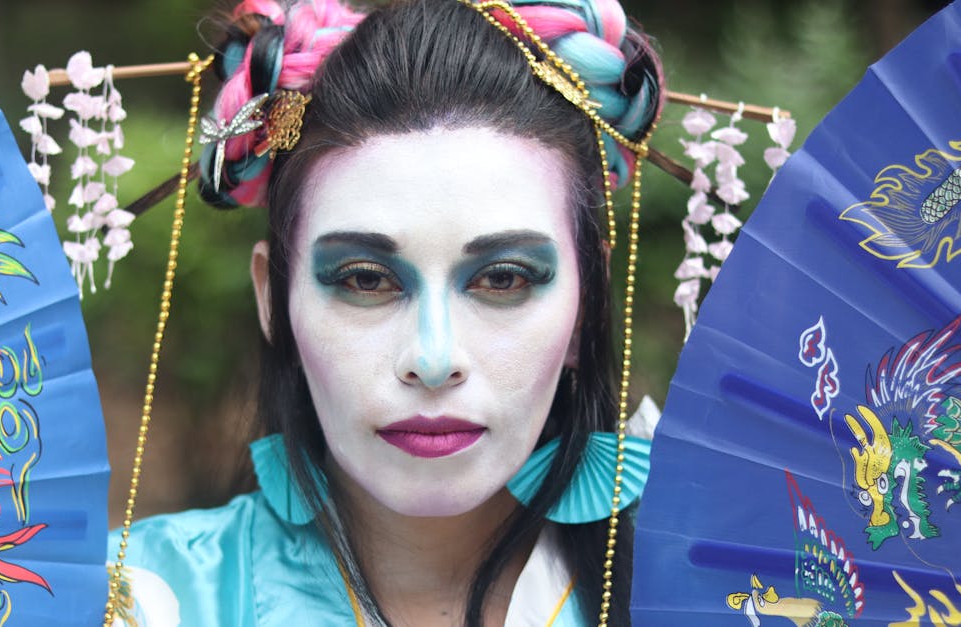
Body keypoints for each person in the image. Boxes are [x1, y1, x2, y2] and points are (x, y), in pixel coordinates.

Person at [108, 0, 663, 624]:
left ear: (586, 307)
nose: (432, 360)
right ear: (273, 298)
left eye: (502, 278)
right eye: (366, 280)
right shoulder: (129, 601)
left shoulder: (728, 594)